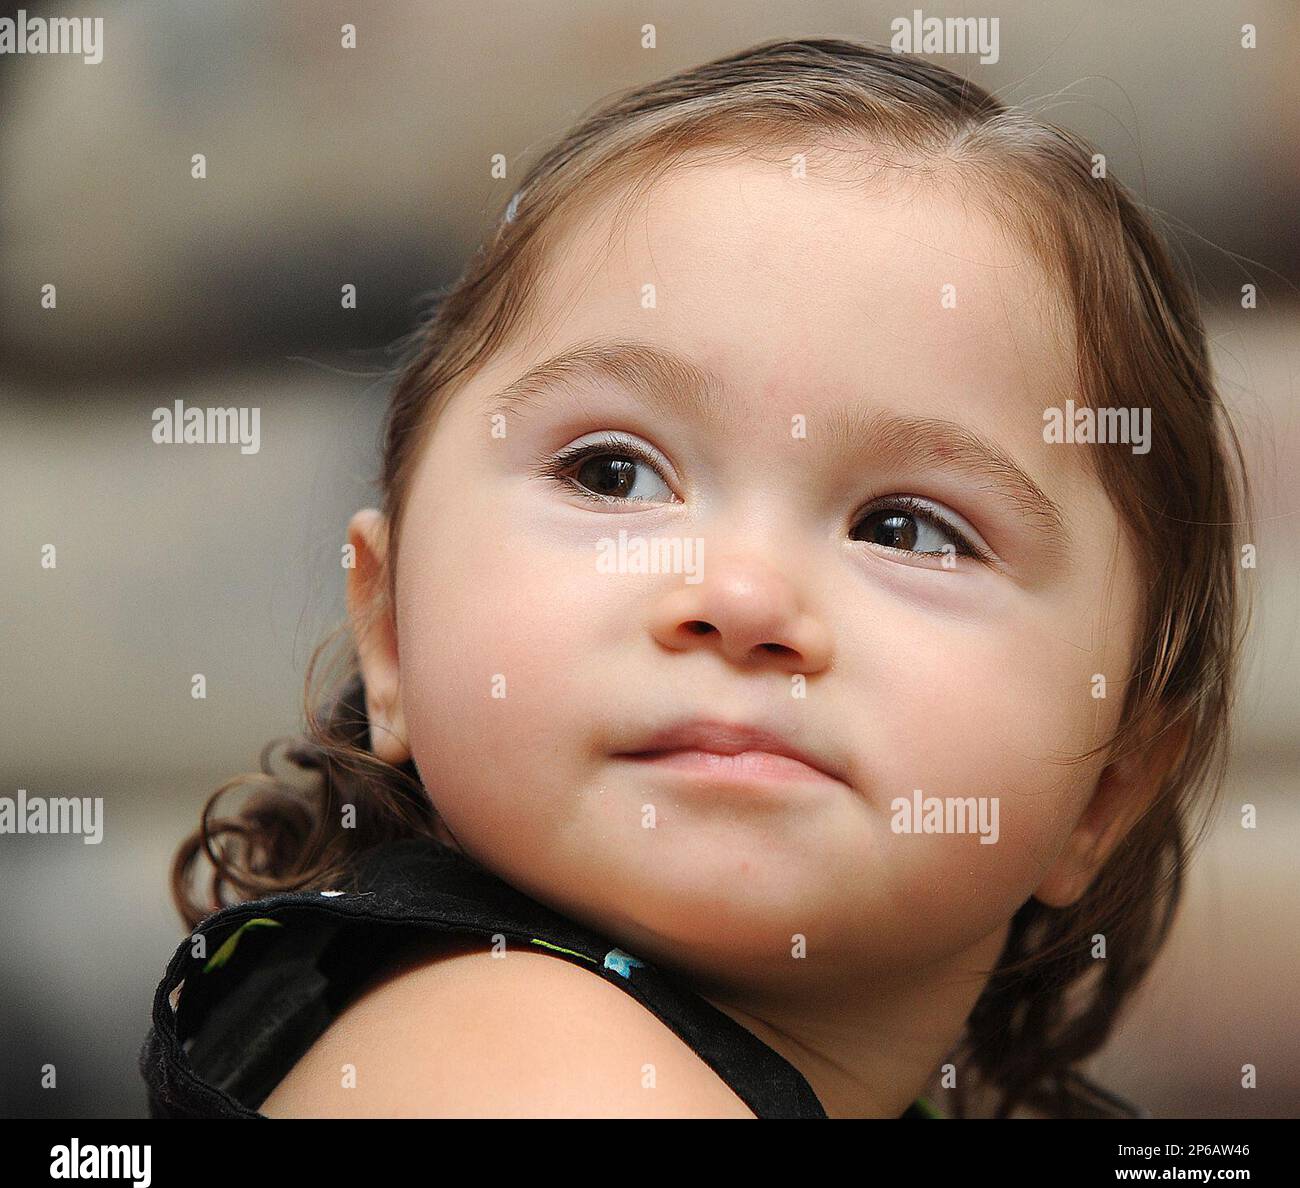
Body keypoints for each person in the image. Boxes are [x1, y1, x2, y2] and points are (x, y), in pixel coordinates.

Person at [140, 36, 1251, 1119]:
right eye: (614, 474)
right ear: (389, 631)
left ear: (1108, 783)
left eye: (908, 530)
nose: (742, 599)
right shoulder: (523, 1059)